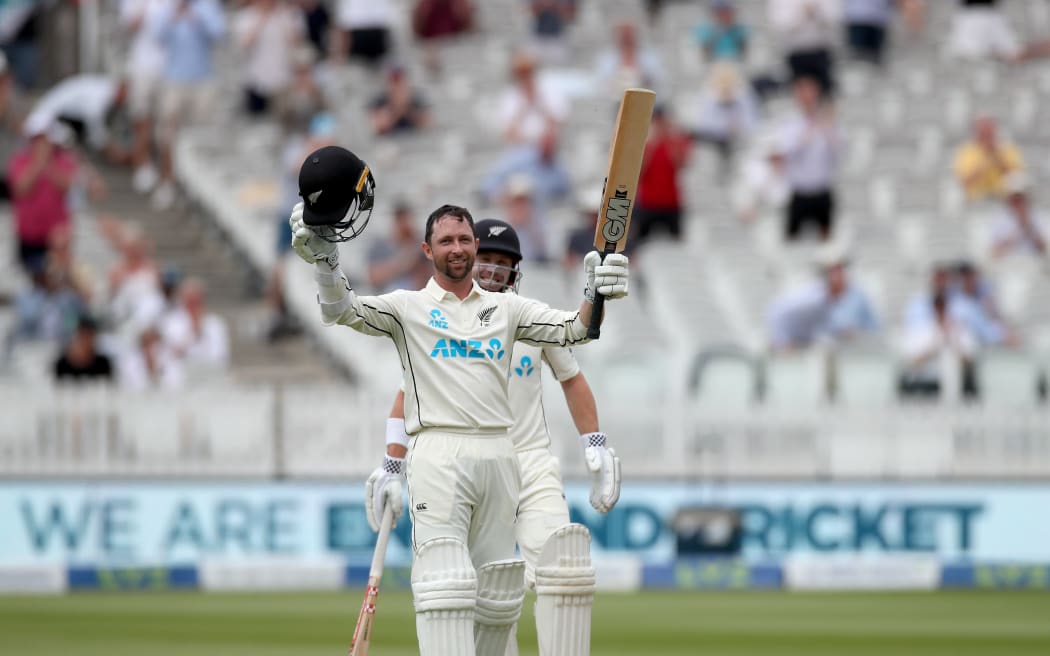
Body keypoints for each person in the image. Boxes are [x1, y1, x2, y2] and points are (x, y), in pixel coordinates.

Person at [286, 145, 630, 656]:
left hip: (501, 454)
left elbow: (576, 330)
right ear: (427, 250)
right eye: (446, 240)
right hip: (439, 456)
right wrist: (324, 262)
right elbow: (341, 311)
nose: (458, 248)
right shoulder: (408, 309)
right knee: (445, 589)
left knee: (497, 598)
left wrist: (596, 292)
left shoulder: (508, 310)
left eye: (465, 239)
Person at [379, 218, 619, 656]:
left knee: (564, 566)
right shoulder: (441, 320)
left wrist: (596, 444)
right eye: (485, 259)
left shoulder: (527, 316)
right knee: (484, 594)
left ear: (516, 270)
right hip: (469, 466)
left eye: (503, 263)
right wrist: (392, 468)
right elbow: (404, 398)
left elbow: (573, 378)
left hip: (529, 461)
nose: (492, 270)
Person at [953, 115, 1024, 203]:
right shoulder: (967, 151)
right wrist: (985, 163)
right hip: (976, 202)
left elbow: (1017, 178)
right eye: (983, 132)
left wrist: (998, 158)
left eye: (989, 131)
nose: (987, 135)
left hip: (1004, 201)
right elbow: (965, 182)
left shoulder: (1006, 149)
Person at [53, 315, 114, 383]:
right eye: (83, 335)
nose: (86, 340)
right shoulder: (62, 364)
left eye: (89, 335)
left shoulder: (103, 363)